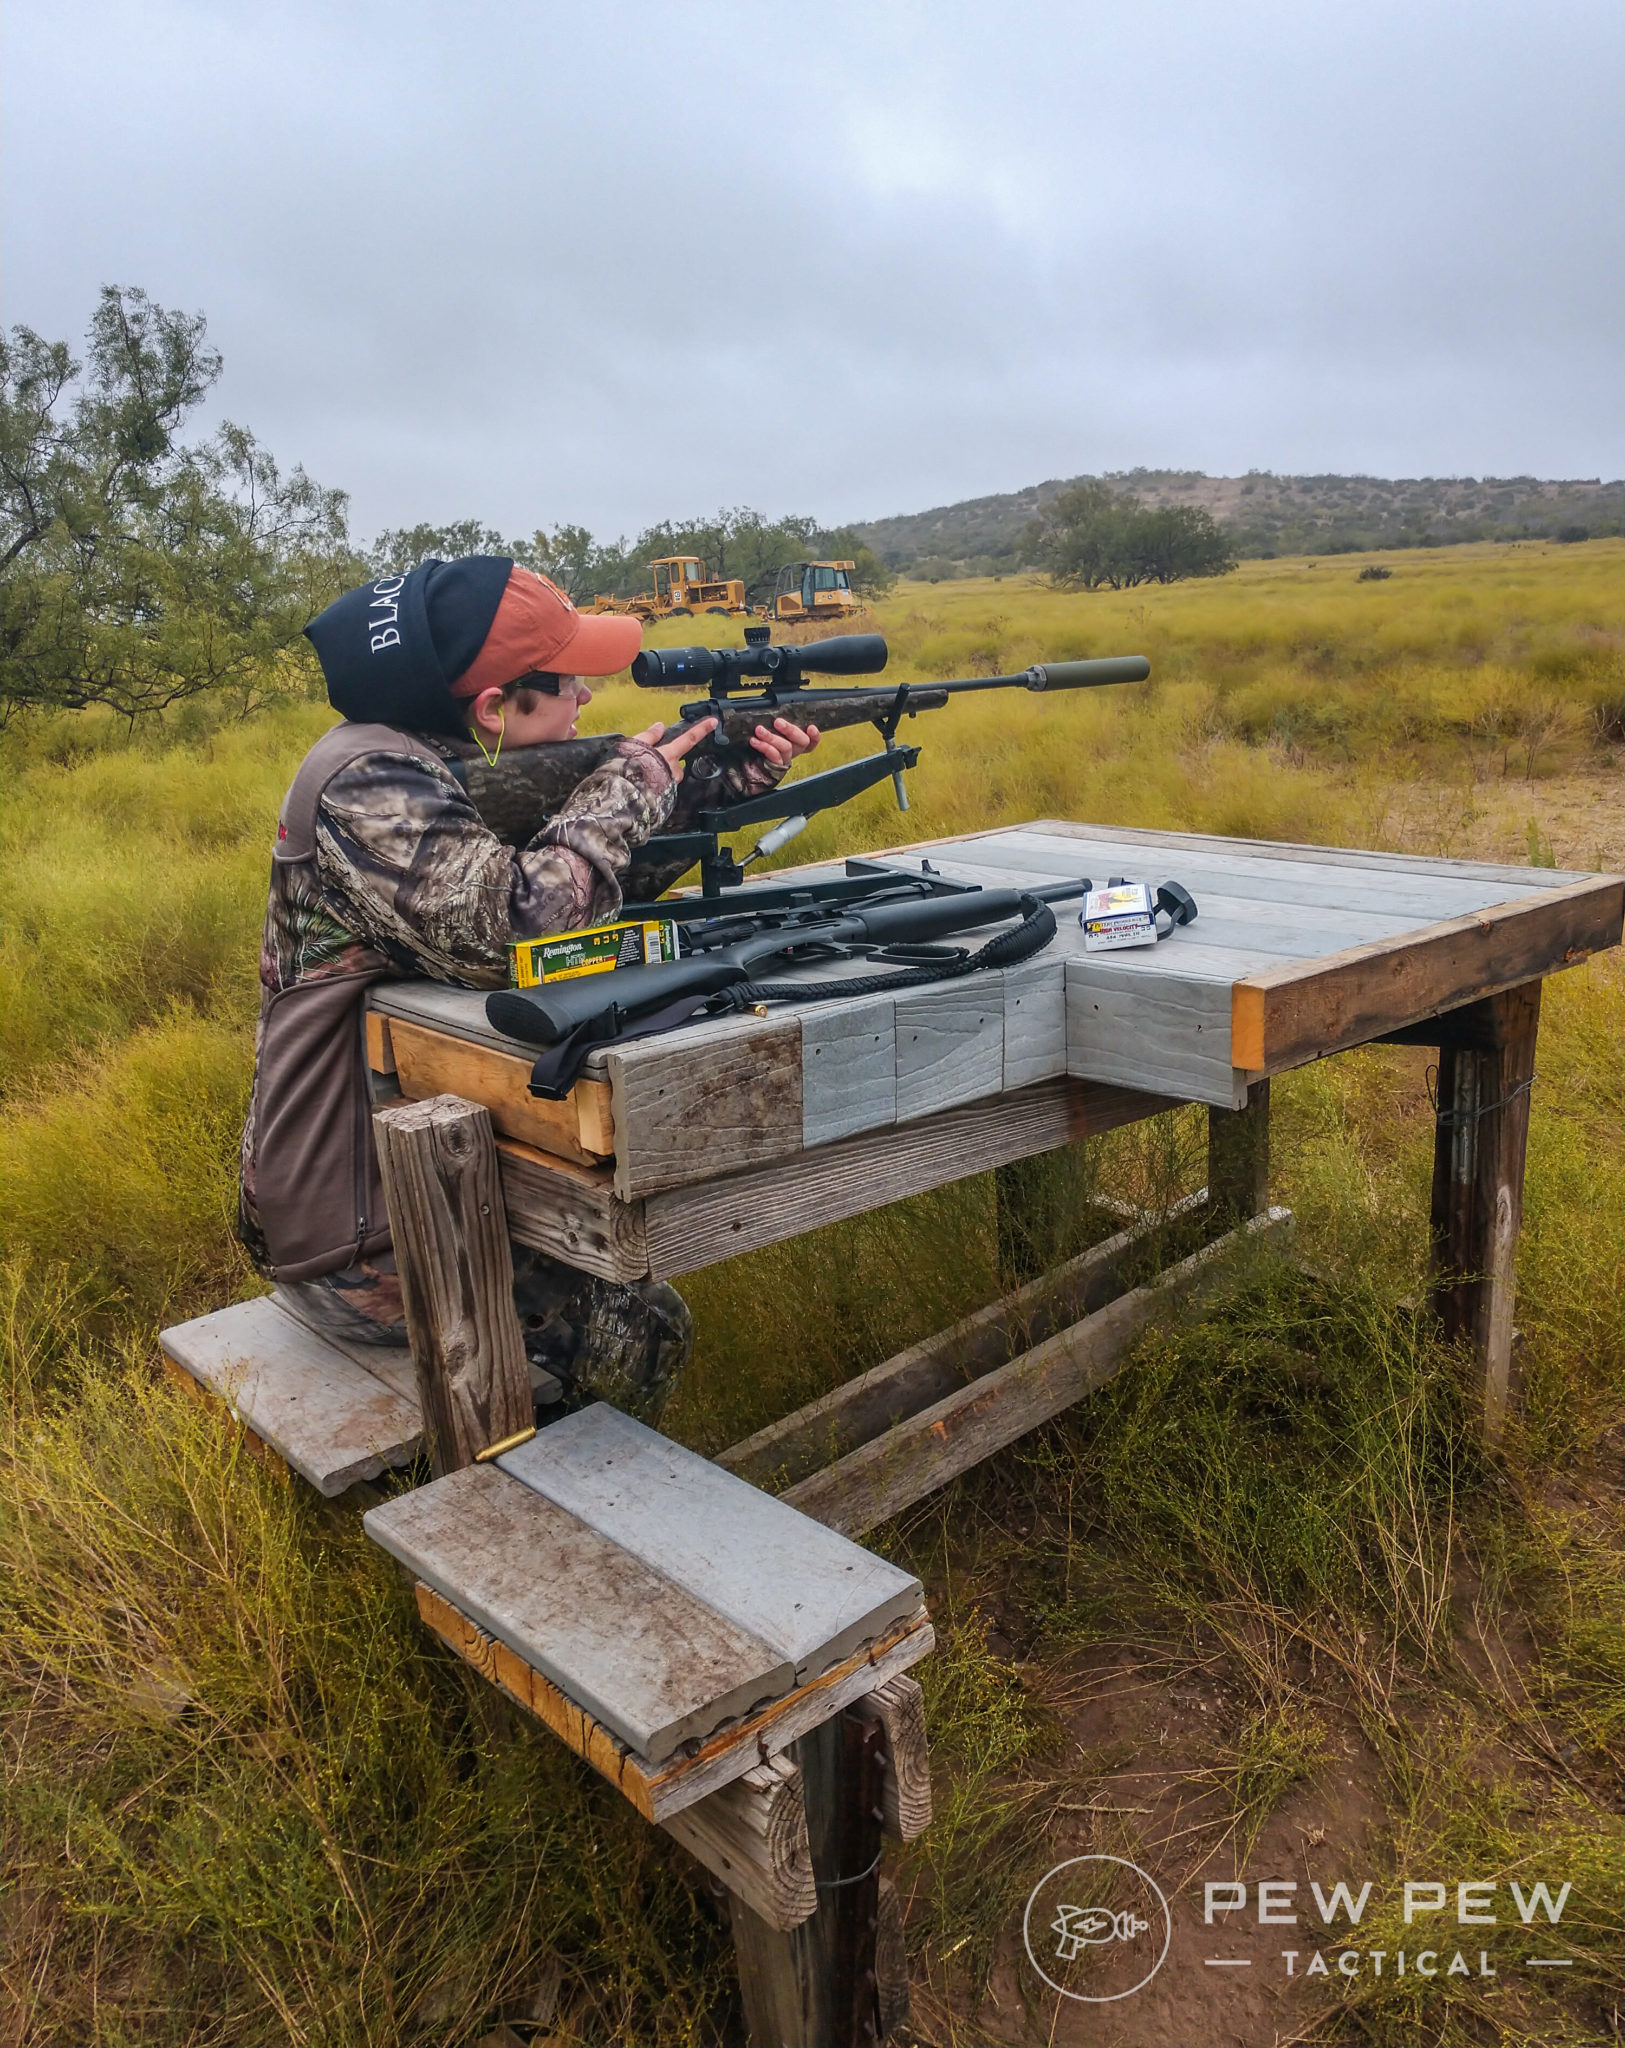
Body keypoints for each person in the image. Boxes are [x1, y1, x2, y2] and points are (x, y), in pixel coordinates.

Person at [238, 554, 817, 1420]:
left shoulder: (420, 759)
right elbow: (520, 927)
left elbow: (571, 898)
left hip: (413, 1156)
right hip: (356, 1233)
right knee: (640, 1319)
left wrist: (707, 792)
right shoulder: (371, 787)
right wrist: (625, 791)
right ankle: (546, 1497)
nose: (587, 701)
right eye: (570, 684)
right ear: (492, 709)